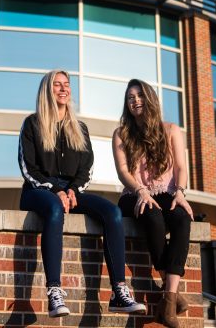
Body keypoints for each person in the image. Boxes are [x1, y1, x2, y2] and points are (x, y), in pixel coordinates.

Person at [18, 70, 146, 318]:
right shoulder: (32, 124)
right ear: (47, 90)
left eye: (66, 85)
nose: (63, 89)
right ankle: (54, 292)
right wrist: (55, 191)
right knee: (55, 209)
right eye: (57, 85)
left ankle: (119, 290)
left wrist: (73, 190)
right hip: (37, 191)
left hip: (71, 191)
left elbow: (86, 168)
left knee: (112, 212)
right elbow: (27, 168)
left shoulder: (80, 128)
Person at [112, 78, 193, 328]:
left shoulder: (171, 129)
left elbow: (180, 166)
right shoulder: (121, 134)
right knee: (153, 216)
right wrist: (141, 191)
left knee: (182, 218)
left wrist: (180, 192)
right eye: (130, 97)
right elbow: (123, 171)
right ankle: (172, 297)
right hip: (133, 195)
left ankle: (167, 301)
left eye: (139, 95)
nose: (135, 100)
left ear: (149, 99)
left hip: (167, 191)